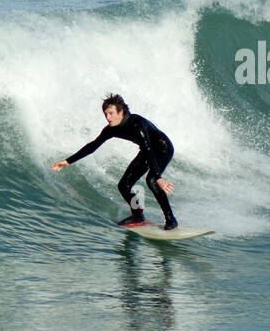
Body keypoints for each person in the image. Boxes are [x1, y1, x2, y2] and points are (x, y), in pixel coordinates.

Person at [51, 94, 178, 229]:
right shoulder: (111, 129)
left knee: (152, 180)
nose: (108, 118)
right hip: (147, 151)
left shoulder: (137, 124)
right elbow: (93, 146)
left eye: (111, 113)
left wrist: (158, 177)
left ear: (121, 112)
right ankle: (138, 215)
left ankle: (171, 219)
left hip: (163, 148)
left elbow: (148, 149)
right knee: (124, 185)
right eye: (106, 114)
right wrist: (68, 161)